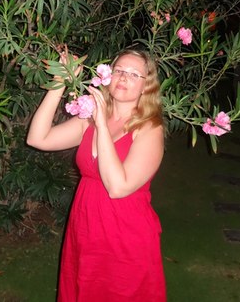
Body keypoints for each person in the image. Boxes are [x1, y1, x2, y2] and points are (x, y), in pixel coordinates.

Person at [27, 48, 166, 302]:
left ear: (146, 86)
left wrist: (102, 124)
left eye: (134, 74)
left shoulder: (149, 129)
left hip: (124, 234)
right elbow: (38, 138)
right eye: (119, 70)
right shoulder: (88, 120)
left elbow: (118, 187)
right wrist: (59, 82)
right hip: (86, 226)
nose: (123, 77)